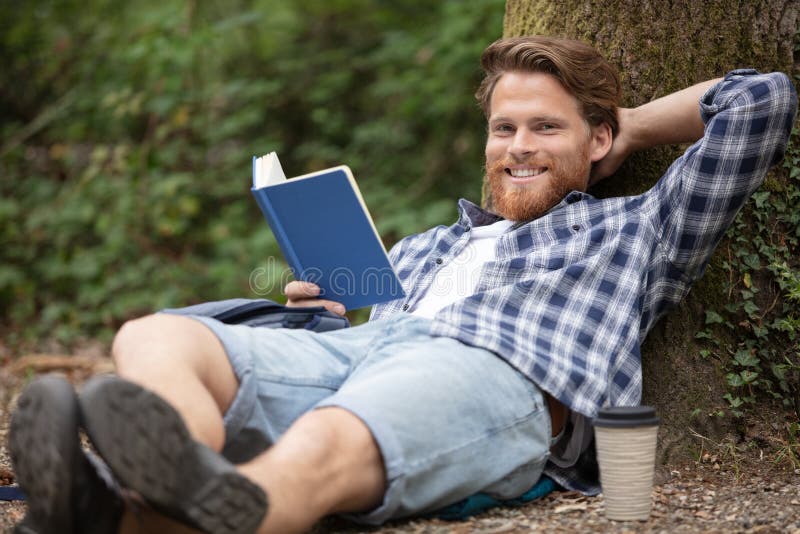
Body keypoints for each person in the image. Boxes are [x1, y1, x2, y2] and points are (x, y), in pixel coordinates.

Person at [8, 36, 796, 534]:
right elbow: (365, 349)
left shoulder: (640, 229)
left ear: (597, 138)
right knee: (153, 335)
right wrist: (321, 319)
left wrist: (629, 127)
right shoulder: (425, 244)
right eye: (504, 128)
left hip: (497, 373)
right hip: (366, 351)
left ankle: (128, 507)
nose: (518, 147)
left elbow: (763, 101)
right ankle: (166, 469)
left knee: (329, 437)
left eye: (546, 128)